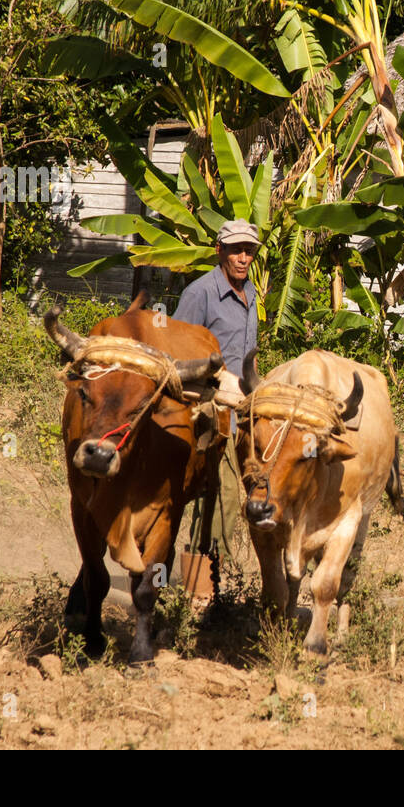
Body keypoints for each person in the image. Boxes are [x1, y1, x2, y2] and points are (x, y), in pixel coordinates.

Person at [173, 220, 260, 592]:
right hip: (208, 405)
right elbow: (174, 355)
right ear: (220, 250)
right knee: (220, 491)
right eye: (236, 249)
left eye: (250, 250)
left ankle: (217, 577)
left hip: (243, 406)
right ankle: (203, 586)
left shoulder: (250, 292)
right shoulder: (201, 294)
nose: (244, 257)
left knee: (254, 485)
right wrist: (214, 381)